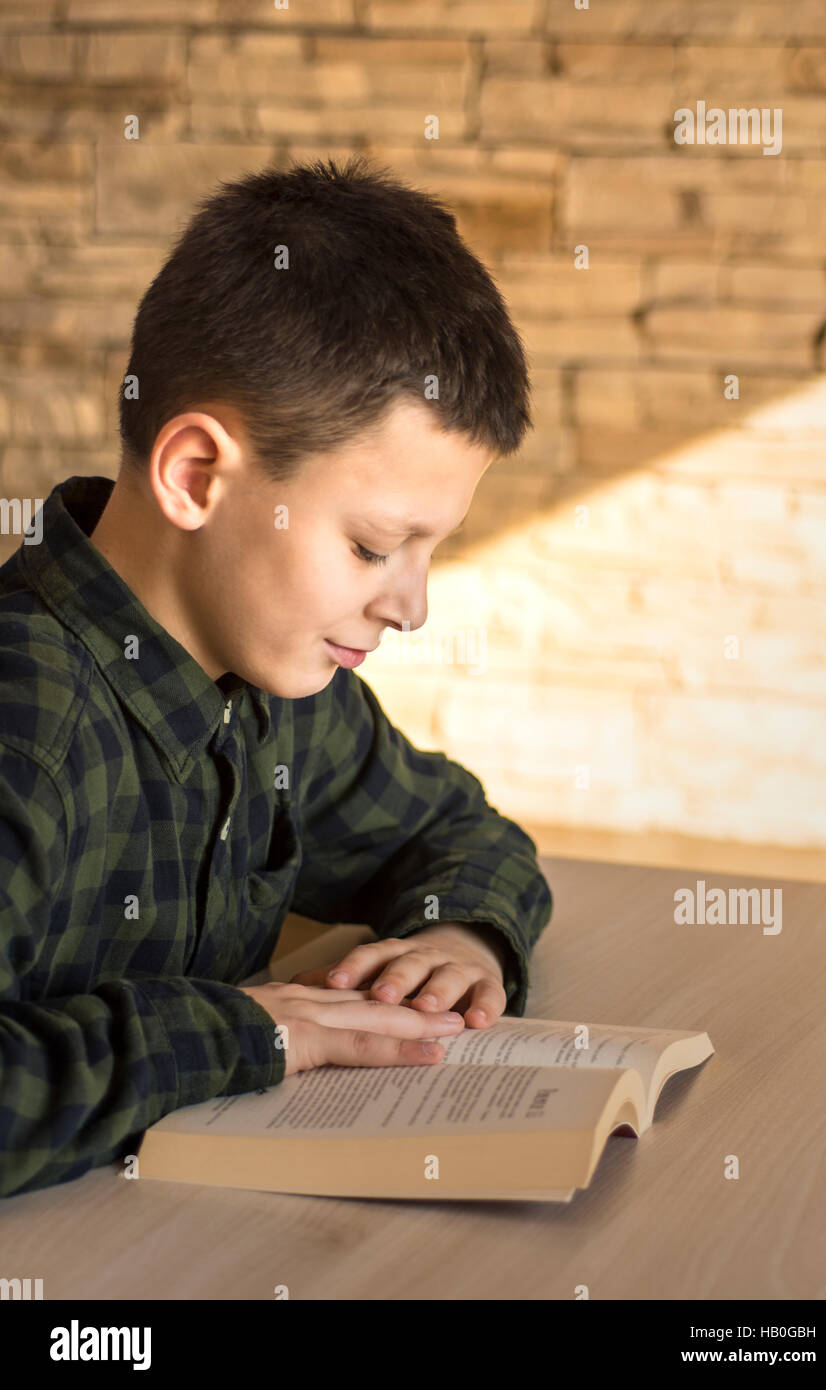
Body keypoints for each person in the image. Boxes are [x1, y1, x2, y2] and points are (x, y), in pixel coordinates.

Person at [0, 156, 553, 1197]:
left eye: (429, 550)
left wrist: (460, 929)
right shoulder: (27, 726)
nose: (411, 605)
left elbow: (460, 831)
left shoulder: (278, 695)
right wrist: (236, 1032)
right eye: (371, 545)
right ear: (197, 475)